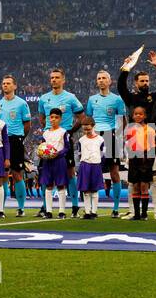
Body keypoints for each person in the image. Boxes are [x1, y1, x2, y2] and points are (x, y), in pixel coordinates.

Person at [118, 51, 156, 219]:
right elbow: (120, 87)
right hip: (133, 142)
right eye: (142, 81)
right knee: (133, 179)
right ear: (136, 83)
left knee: (153, 177)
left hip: (152, 140)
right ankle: (133, 211)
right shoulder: (131, 98)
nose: (145, 83)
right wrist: (126, 69)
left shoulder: (154, 98)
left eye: (147, 80)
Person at [37, 69, 83, 214]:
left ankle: (75, 205)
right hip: (48, 142)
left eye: (57, 78)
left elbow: (82, 117)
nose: (54, 80)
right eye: (52, 78)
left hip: (64, 139)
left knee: (69, 173)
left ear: (63, 80)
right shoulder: (44, 98)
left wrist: (70, 132)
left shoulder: (70, 98)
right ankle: (45, 207)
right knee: (45, 174)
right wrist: (48, 131)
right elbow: (42, 117)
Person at [86, 70, 128, 218]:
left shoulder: (117, 100)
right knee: (92, 171)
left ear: (110, 81)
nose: (101, 80)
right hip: (94, 136)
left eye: (104, 78)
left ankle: (116, 209)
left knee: (114, 173)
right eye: (99, 78)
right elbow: (89, 120)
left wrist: (116, 136)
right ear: (97, 82)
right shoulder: (92, 99)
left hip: (110, 136)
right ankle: (91, 209)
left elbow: (122, 121)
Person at [0, 74, 33, 216]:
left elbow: (27, 124)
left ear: (15, 86)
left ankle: (21, 208)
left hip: (15, 140)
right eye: (4, 83)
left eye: (8, 83)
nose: (5, 85)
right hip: (0, 142)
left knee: (17, 174)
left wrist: (20, 138)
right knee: (3, 174)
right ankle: (1, 208)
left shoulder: (21, 103)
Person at [123, 105, 156, 220]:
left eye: (140, 114)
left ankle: (144, 214)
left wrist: (149, 162)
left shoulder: (150, 130)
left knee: (144, 186)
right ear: (133, 116)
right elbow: (128, 145)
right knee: (135, 186)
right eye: (135, 114)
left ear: (145, 116)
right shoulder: (130, 130)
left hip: (146, 159)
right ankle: (136, 214)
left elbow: (153, 148)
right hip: (134, 159)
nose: (138, 115)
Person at [38, 108, 73, 218]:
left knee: (60, 185)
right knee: (48, 185)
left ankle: (61, 211)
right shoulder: (45, 133)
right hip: (47, 162)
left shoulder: (63, 132)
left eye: (56, 117)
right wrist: (40, 153)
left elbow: (67, 147)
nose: (53, 119)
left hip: (59, 161)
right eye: (51, 117)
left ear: (60, 119)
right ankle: (48, 211)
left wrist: (58, 153)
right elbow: (42, 147)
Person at [76, 116, 106, 219]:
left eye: (88, 128)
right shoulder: (81, 140)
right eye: (84, 129)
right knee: (86, 190)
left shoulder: (100, 139)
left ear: (93, 126)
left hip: (96, 165)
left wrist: (99, 164)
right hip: (85, 165)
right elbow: (79, 153)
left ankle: (94, 211)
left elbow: (103, 154)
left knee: (94, 190)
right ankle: (87, 212)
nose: (86, 131)